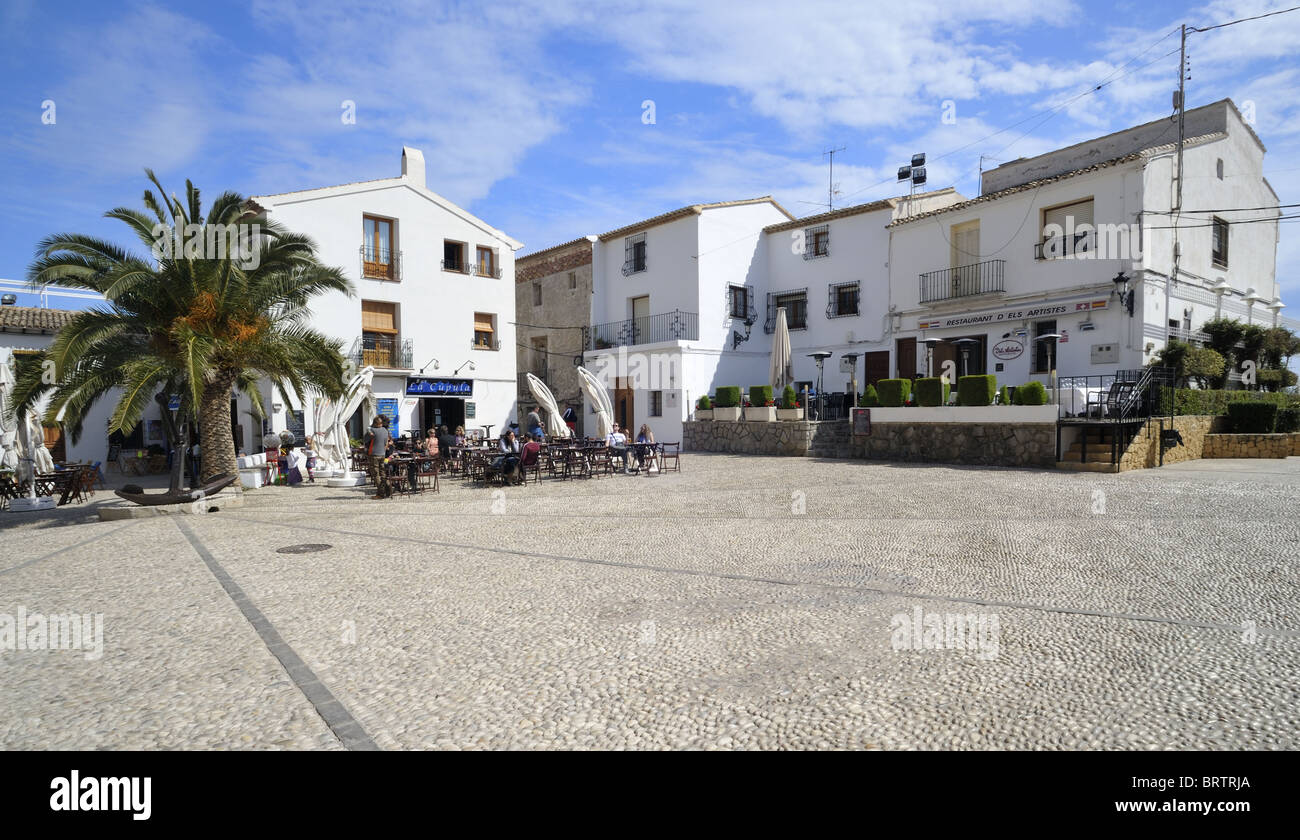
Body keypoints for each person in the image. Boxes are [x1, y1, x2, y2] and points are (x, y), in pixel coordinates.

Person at [364, 416, 392, 499]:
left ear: (375, 423)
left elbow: (365, 440)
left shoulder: (372, 430)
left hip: (374, 454)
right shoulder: (385, 430)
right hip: (382, 454)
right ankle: (388, 490)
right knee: (383, 473)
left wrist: (368, 430)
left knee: (376, 474)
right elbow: (385, 443)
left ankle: (381, 493)